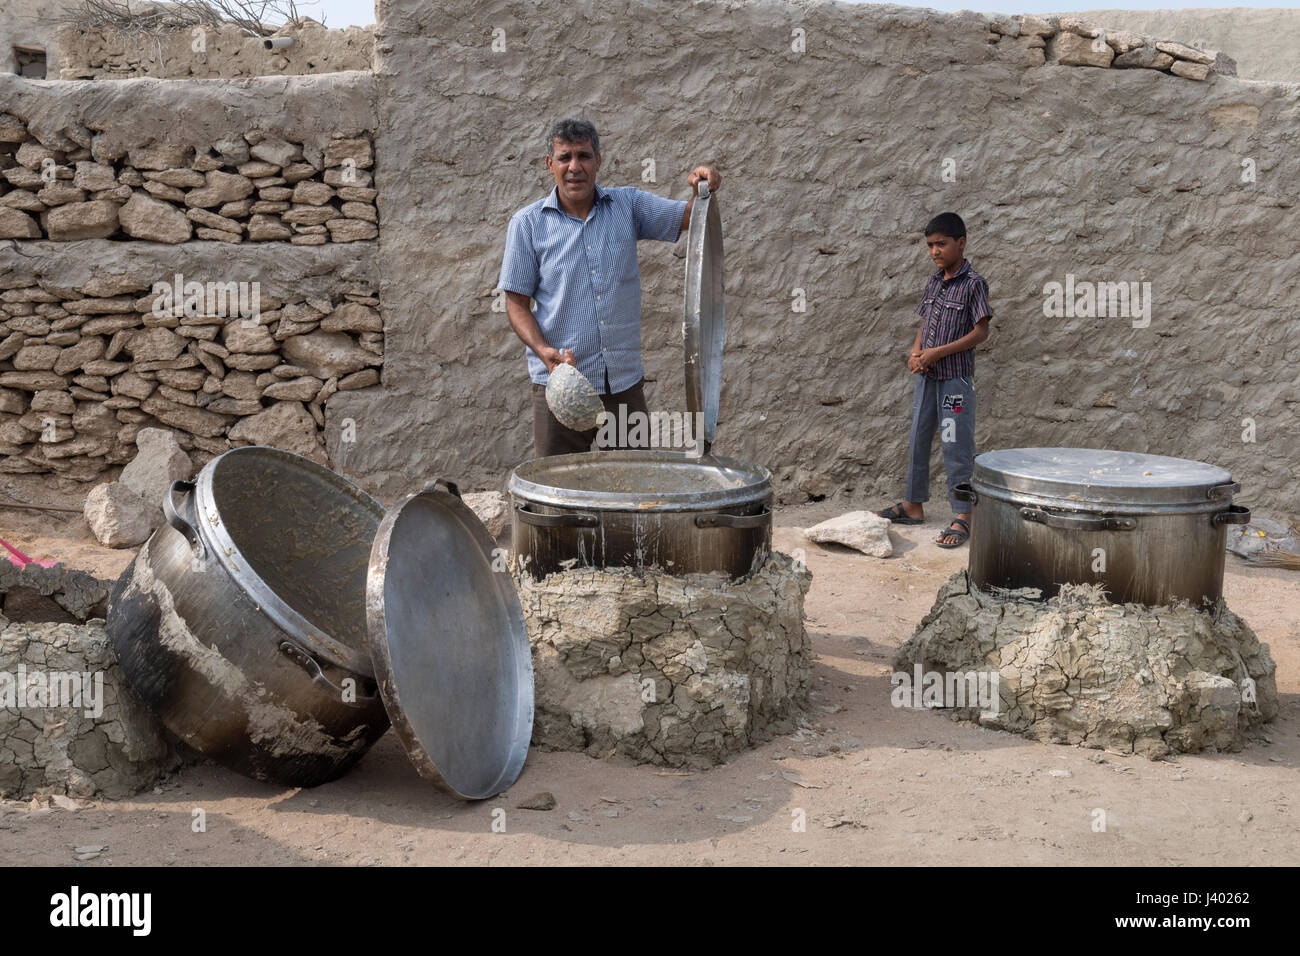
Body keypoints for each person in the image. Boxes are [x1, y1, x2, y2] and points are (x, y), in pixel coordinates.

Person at [498, 117, 720, 458]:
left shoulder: (627, 206)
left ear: (598, 161)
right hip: (561, 387)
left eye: (584, 156)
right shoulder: (527, 225)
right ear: (549, 164)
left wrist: (701, 188)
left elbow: (689, 217)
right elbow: (516, 304)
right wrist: (544, 351)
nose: (575, 167)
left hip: (623, 388)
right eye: (565, 157)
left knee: (629, 495)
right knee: (562, 497)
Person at [877, 212, 992, 547]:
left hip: (954, 380)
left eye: (941, 244)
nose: (934, 251)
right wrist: (916, 353)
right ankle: (914, 504)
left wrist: (936, 353)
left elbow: (980, 332)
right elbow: (925, 324)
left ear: (961, 243)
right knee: (918, 437)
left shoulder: (973, 284)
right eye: (930, 245)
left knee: (955, 446)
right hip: (927, 376)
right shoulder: (934, 282)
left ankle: (963, 514)